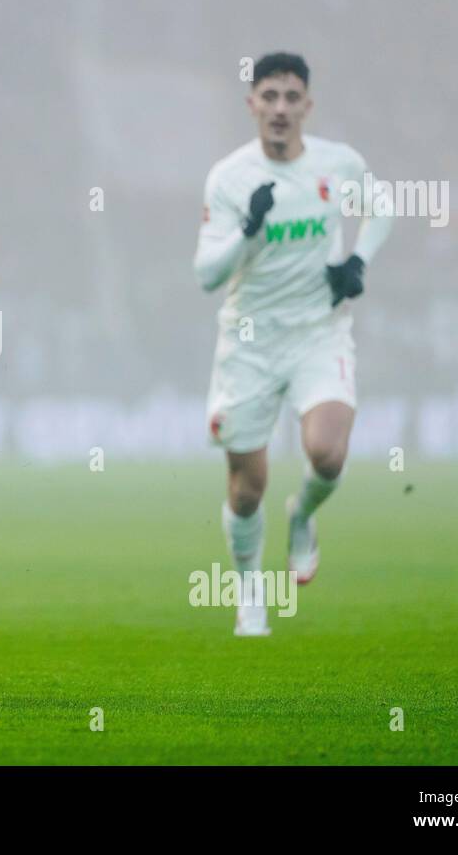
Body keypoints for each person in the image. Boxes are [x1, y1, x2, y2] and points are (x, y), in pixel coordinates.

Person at [194, 53, 393, 636]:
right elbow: (206, 274)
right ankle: (250, 592)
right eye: (269, 97)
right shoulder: (230, 177)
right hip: (249, 342)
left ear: (307, 104)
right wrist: (247, 231)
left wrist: (358, 259)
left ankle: (302, 514)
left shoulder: (339, 163)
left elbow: (381, 208)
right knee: (246, 488)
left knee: (328, 453)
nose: (280, 108)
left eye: (291, 97)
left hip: (317, 331)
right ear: (252, 104)